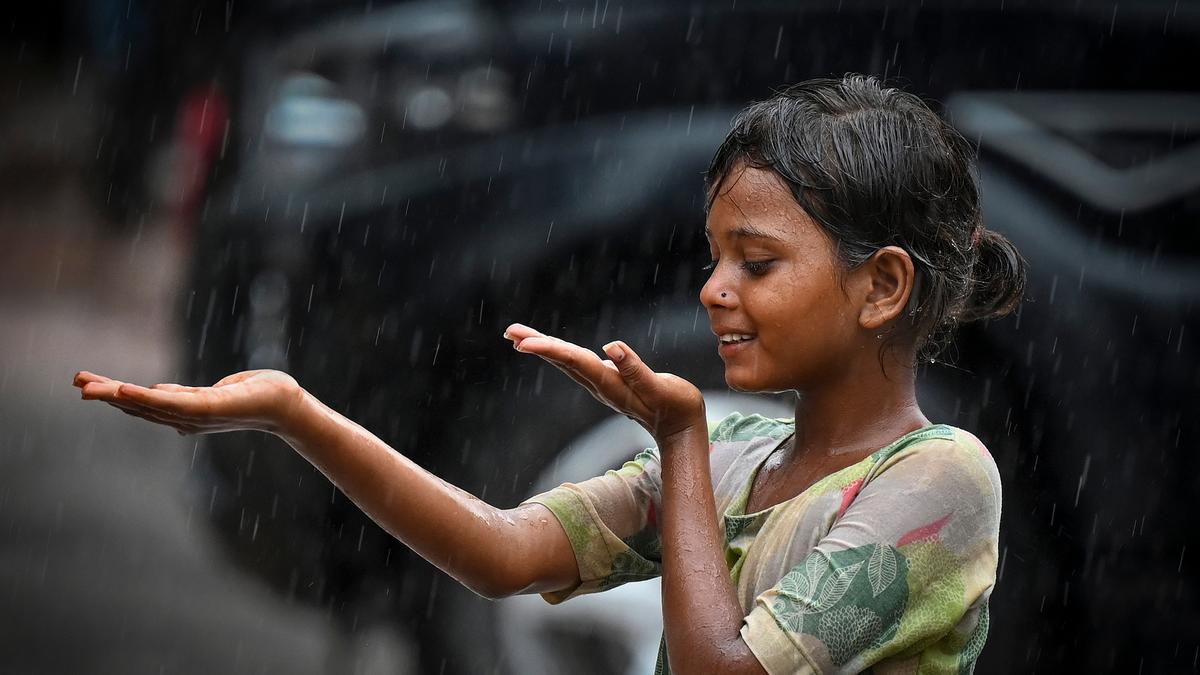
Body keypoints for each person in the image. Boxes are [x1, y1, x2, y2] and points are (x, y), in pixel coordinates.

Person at [73, 75, 1025, 674]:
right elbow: (499, 551)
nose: (713, 291)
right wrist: (292, 413)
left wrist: (682, 440)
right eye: (715, 257)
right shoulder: (741, 459)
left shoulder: (940, 476)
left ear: (883, 285)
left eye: (757, 263)